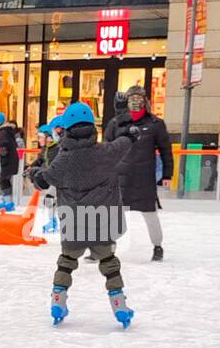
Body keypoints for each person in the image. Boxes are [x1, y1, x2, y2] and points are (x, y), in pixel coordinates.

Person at [32, 102, 140, 328]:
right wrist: (130, 133)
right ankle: (119, 306)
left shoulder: (62, 160)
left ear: (67, 129)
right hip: (102, 221)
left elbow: (43, 180)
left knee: (66, 262)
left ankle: (58, 302)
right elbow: (125, 142)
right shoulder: (105, 152)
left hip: (74, 223)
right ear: (93, 127)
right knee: (109, 264)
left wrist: (35, 173)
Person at [104, 84, 173, 261]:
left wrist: (167, 175)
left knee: (150, 214)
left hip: (144, 178)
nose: (135, 102)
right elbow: (106, 149)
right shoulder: (115, 123)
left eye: (139, 98)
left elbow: (166, 150)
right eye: (131, 98)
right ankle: (107, 248)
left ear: (145, 101)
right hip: (120, 177)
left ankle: (157, 246)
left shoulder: (155, 124)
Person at [25, 119, 62, 232]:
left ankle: (54, 222)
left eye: (41, 137)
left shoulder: (56, 149)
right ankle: (53, 221)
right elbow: (41, 160)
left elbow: (51, 166)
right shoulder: (46, 149)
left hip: (57, 178)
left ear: (49, 137)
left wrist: (38, 171)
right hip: (51, 178)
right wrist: (31, 167)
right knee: (50, 200)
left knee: (50, 199)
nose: (39, 139)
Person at [0, 111, 20, 211]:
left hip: (8, 161)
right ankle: (6, 200)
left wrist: (3, 151)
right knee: (5, 180)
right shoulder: (7, 131)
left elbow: (4, 143)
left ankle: (8, 202)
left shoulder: (3, 132)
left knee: (3, 180)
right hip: (11, 160)